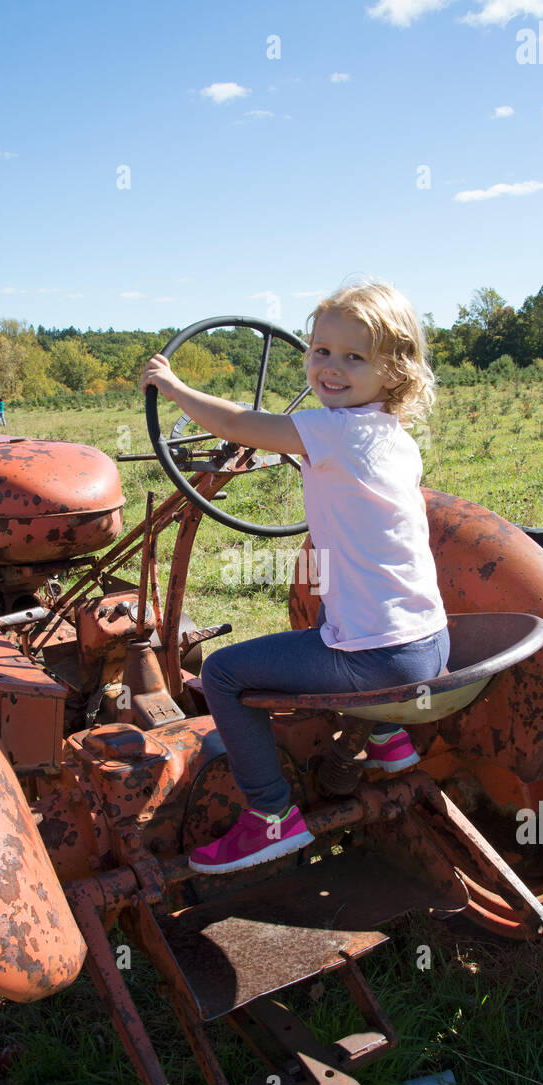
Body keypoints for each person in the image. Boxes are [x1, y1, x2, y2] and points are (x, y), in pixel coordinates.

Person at [139, 280, 449, 875]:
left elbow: (238, 421)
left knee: (225, 672)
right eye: (320, 351)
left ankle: (271, 816)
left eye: (354, 357)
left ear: (395, 370)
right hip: (431, 647)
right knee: (343, 609)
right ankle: (389, 736)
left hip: (381, 660)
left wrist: (174, 389)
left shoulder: (326, 433)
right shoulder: (394, 437)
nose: (330, 368)